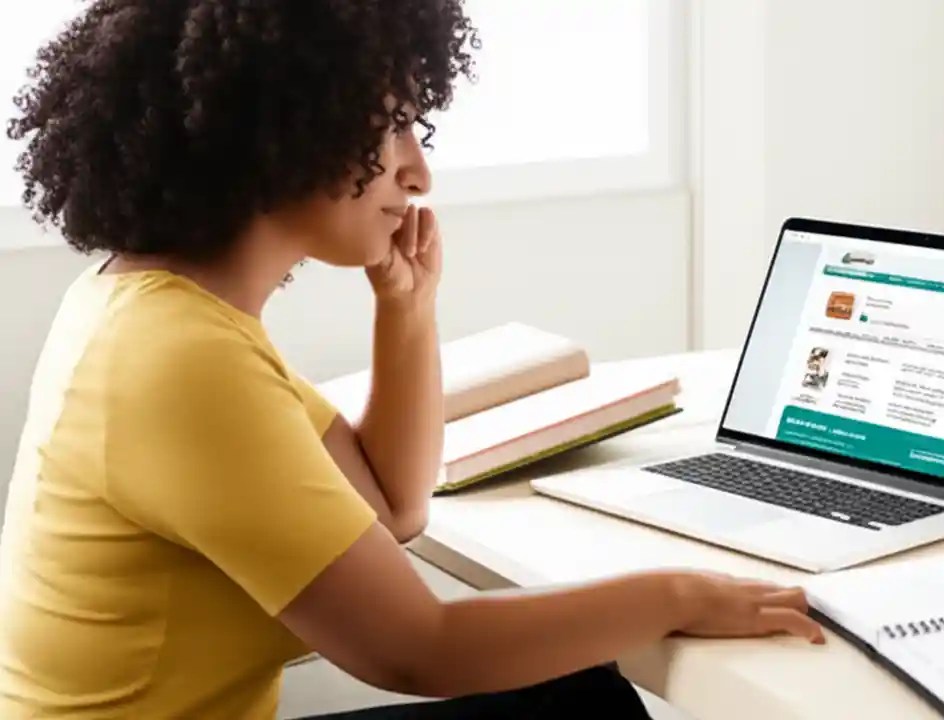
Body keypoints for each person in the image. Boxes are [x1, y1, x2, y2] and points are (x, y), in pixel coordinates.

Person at [0, 1, 825, 718]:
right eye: (391, 124)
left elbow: (391, 506)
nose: (417, 171)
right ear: (285, 125)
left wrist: (406, 309)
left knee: (579, 698)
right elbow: (418, 650)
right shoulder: (176, 356)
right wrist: (675, 593)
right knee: (585, 705)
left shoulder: (159, 307)